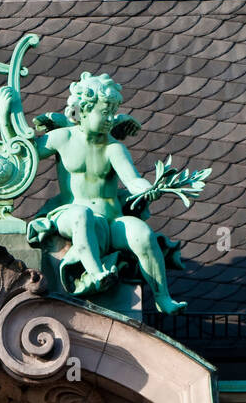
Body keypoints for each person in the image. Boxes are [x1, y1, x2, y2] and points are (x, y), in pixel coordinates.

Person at [23, 71, 207, 315]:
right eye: (105, 111)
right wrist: (7, 118)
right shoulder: (62, 138)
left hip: (110, 221)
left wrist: (149, 190)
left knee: (142, 233)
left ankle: (163, 297)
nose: (111, 118)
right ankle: (96, 272)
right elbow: (23, 154)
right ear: (85, 109)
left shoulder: (114, 147)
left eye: (113, 111)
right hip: (71, 215)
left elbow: (132, 181)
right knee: (82, 215)